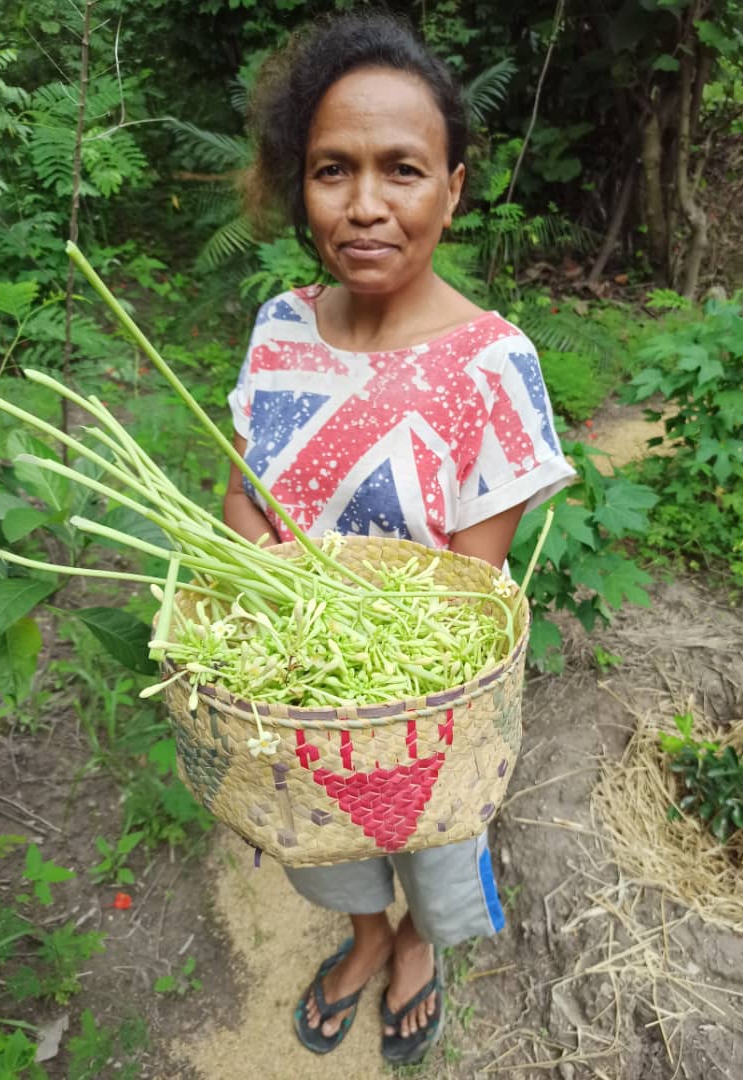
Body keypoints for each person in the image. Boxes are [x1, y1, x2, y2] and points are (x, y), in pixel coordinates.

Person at [222, 10, 575, 1066]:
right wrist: (256, 594)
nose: (366, 205)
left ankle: (417, 940)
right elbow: (241, 496)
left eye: (403, 170)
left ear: (454, 187)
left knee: (430, 849)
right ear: (301, 185)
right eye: (333, 170)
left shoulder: (491, 365)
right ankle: (365, 937)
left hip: (422, 719)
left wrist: (348, 650)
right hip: (294, 698)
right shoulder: (282, 328)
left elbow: (468, 599)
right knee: (324, 848)